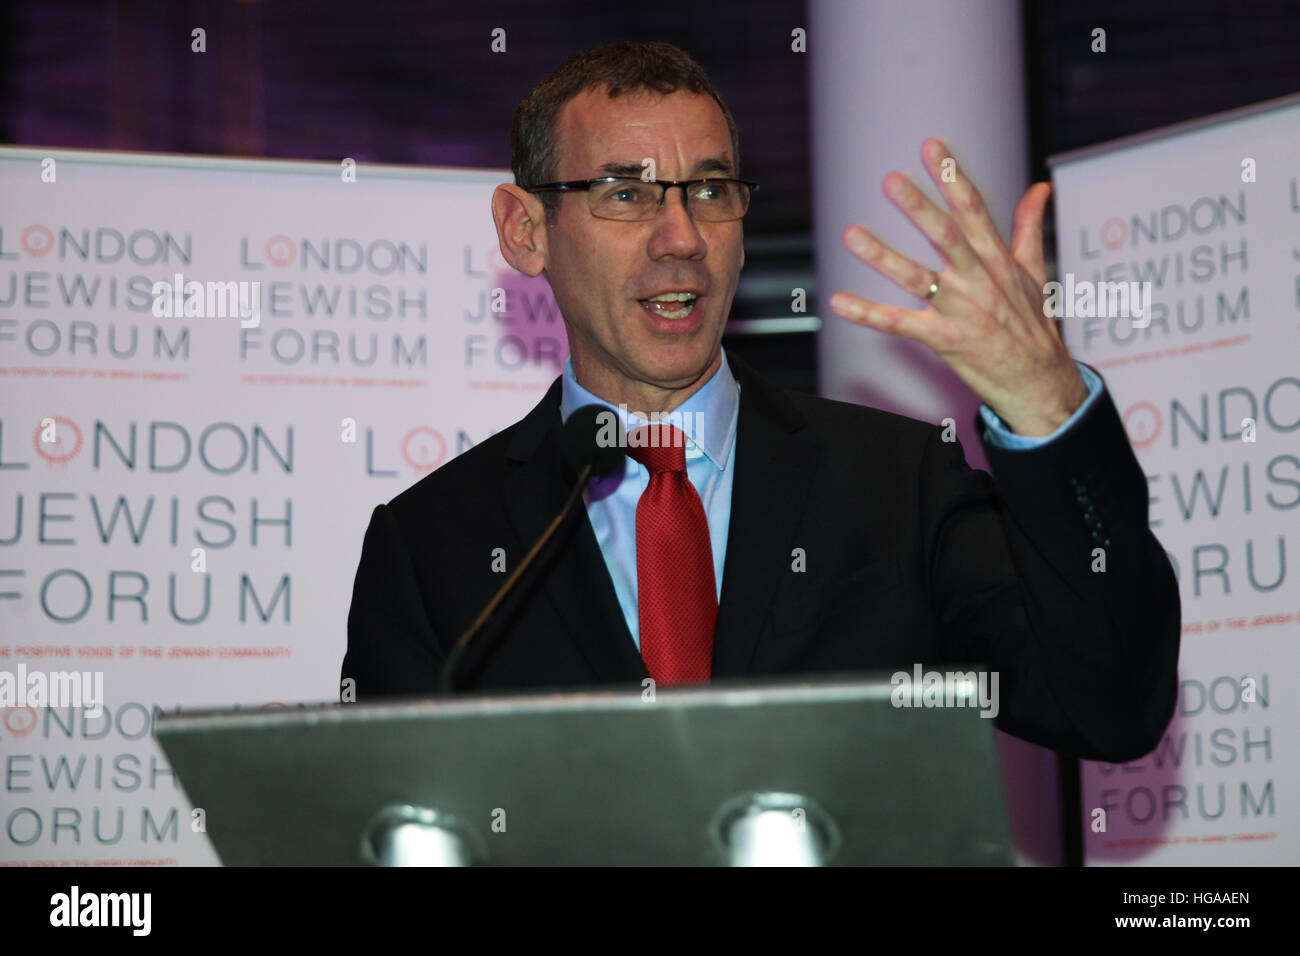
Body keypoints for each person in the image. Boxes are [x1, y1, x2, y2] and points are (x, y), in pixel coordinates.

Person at [342, 41, 1180, 762]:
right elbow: (385, 819)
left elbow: (1109, 705)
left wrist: (1049, 411)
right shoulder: (432, 546)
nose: (681, 239)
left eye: (709, 190)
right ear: (526, 231)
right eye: (627, 195)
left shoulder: (897, 484)